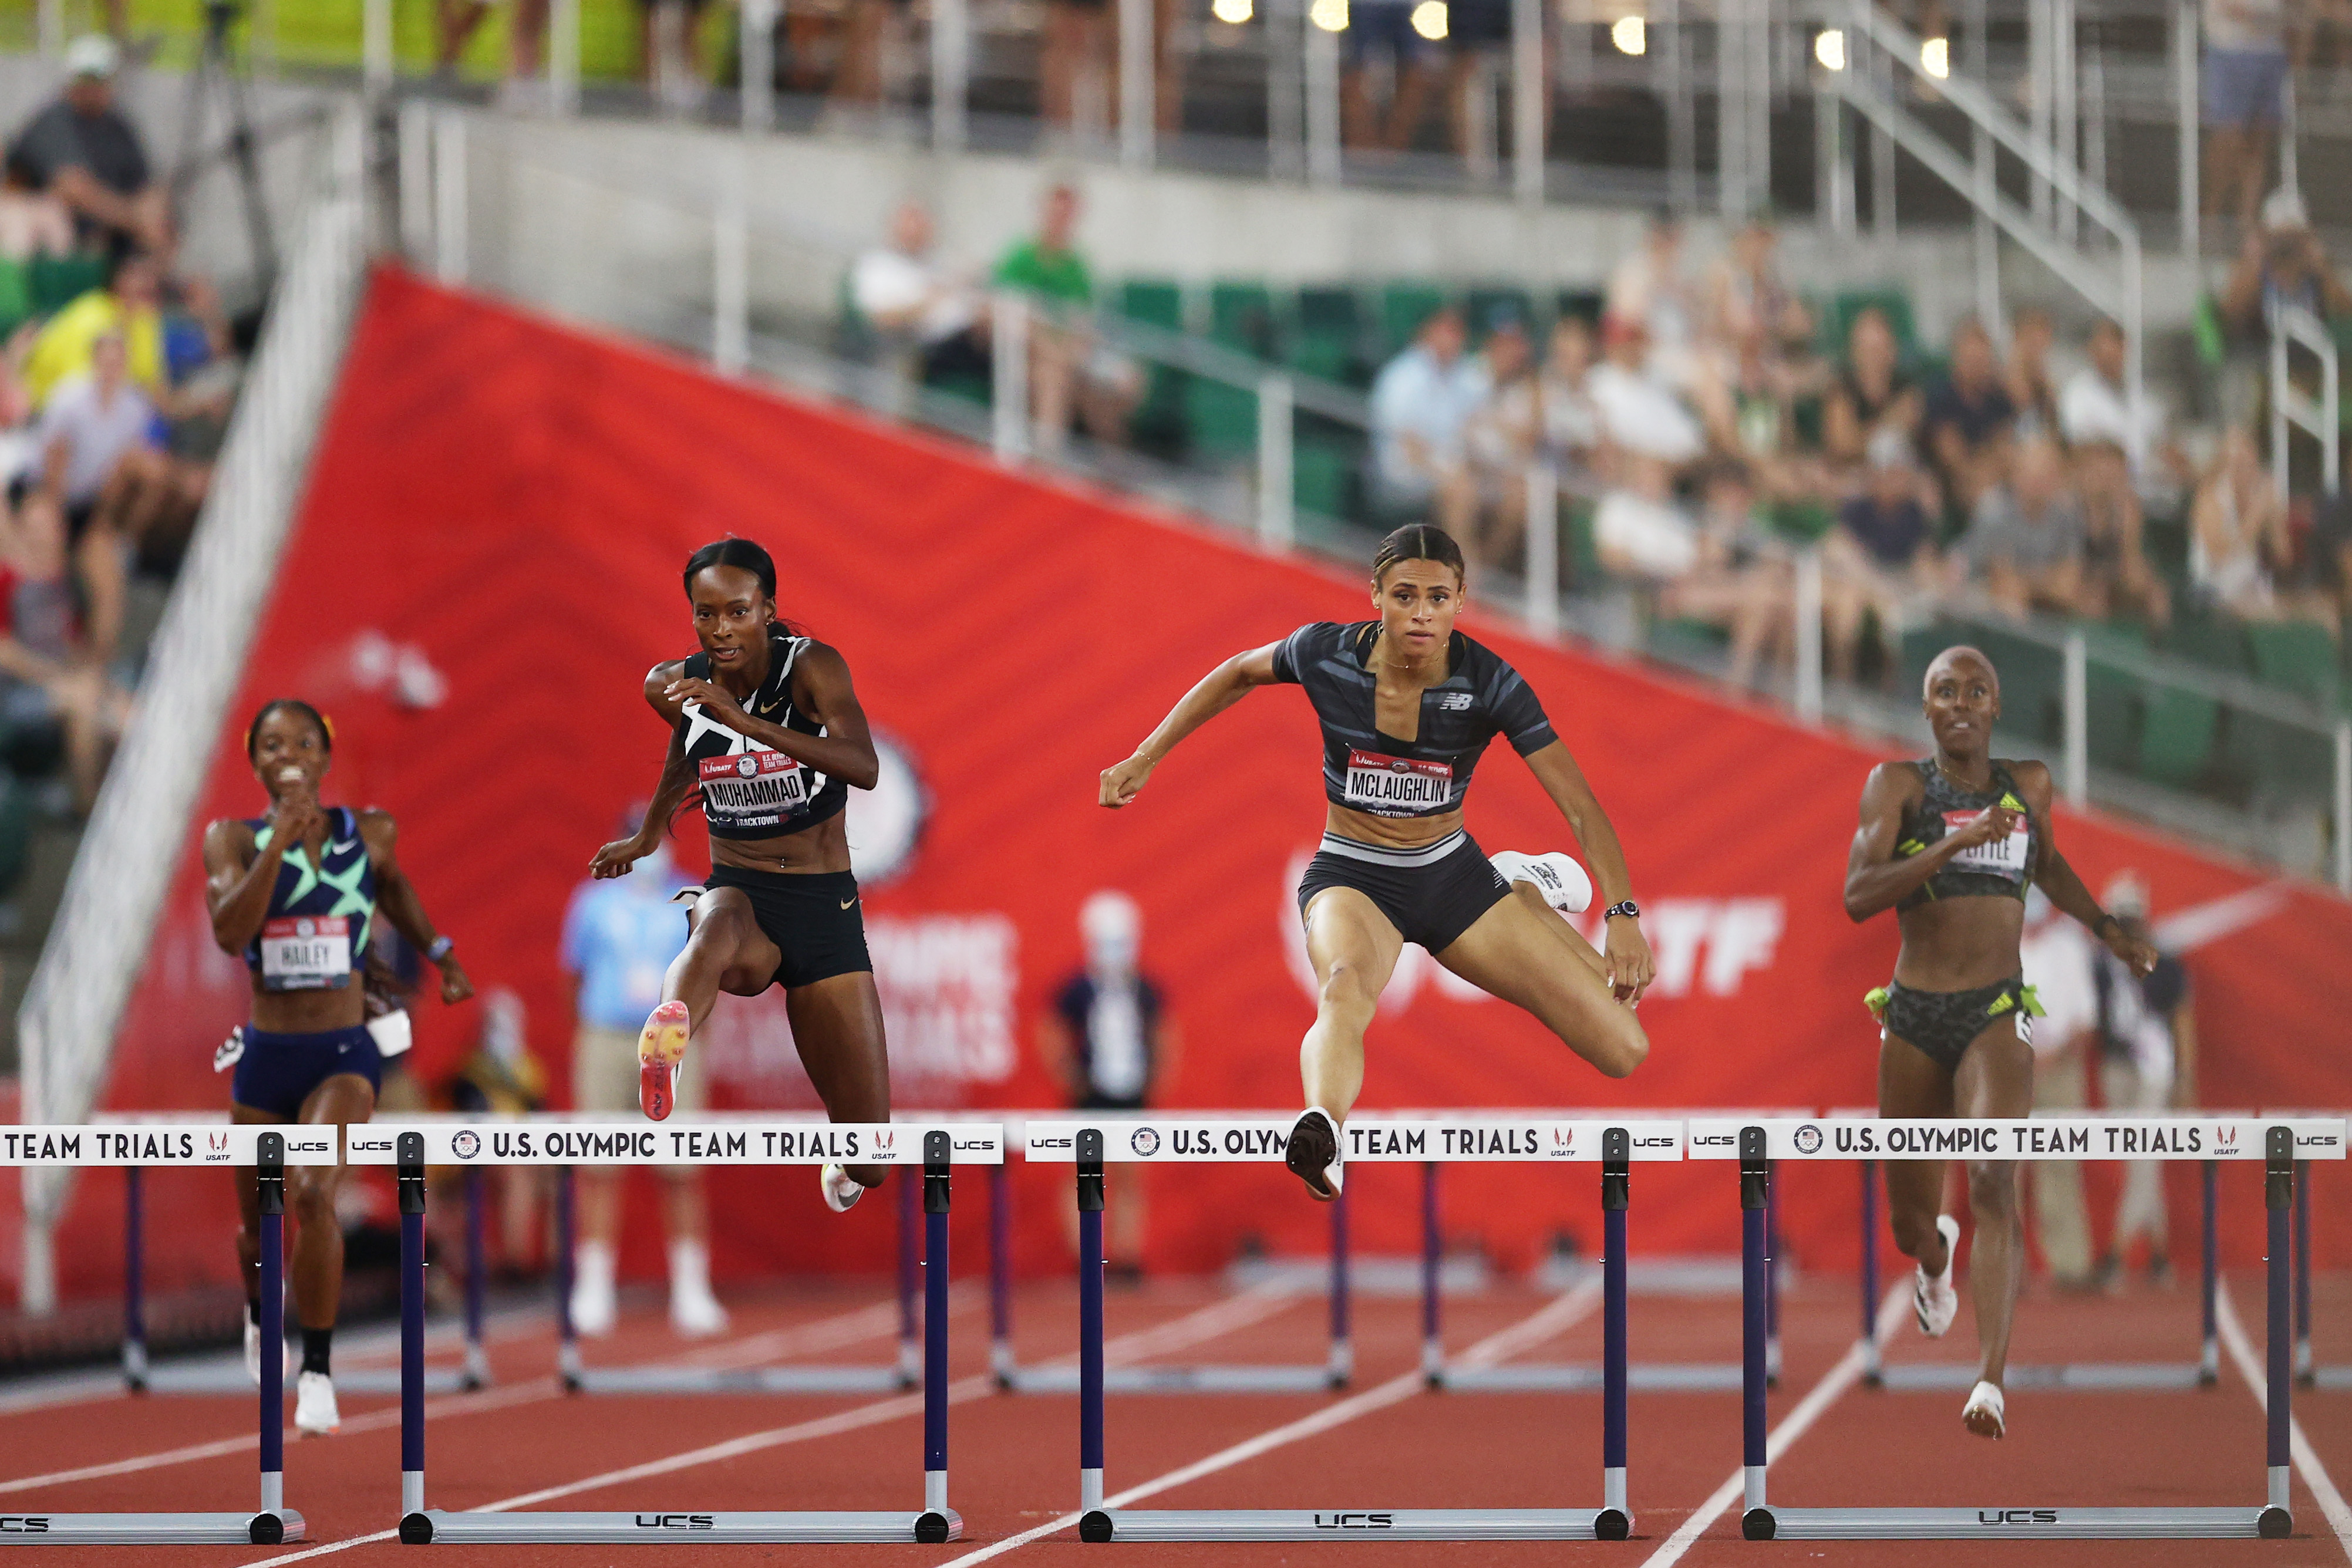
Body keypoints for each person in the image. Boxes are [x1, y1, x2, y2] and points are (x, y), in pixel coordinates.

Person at [1099, 524, 1652, 1202]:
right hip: (1353, 875)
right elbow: (1239, 671)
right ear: (1376, 597)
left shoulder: (1491, 684)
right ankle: (1323, 1128)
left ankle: (1523, 889)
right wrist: (1145, 755)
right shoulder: (1323, 653)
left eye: (1438, 598)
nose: (1421, 613)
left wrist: (1622, 912)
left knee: (1624, 1049)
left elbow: (1581, 807)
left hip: (1453, 879)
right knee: (1342, 985)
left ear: (1460, 601)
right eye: (1405, 596)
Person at [1844, 645, 2156, 1439]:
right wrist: (1954, 841)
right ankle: (1933, 1256)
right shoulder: (1898, 787)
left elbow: (2047, 869)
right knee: (1909, 1224)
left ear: (1994, 706)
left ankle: (1989, 1379)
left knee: (1991, 1171)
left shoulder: (2029, 785)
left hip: (1993, 1011)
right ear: (1925, 708)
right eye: (1942, 691)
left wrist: (2107, 929)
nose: (1958, 702)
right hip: (1914, 1014)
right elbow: (1856, 895)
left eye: (1973, 690)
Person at [588, 539, 892, 1214]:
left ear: (768, 610)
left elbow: (863, 765)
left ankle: (843, 1157)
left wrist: (745, 722)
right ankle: (667, 1037)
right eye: (704, 615)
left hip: (822, 908)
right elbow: (686, 751)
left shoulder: (812, 668)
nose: (720, 629)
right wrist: (646, 834)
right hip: (742, 888)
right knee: (714, 927)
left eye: (737, 612)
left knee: (872, 1159)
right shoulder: (673, 684)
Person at [203, 699, 475, 1435]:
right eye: (268, 744)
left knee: (315, 1193)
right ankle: (262, 1313)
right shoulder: (229, 840)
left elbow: (397, 893)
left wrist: (442, 955)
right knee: (257, 1227)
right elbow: (231, 932)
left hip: (344, 1053)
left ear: (324, 756)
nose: (285, 753)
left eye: (298, 742)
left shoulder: (371, 832)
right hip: (266, 1059)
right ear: (254, 761)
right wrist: (278, 843)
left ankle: (318, 1369)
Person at [561, 811, 728, 1336]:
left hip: (671, 1040)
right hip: (607, 1036)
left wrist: (693, 1032)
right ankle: (593, 1288)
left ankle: (691, 1289)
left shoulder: (694, 900)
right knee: (599, 1165)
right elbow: (574, 974)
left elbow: (709, 972)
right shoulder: (593, 901)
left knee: (682, 1165)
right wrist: (594, 1024)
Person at [1039, 890, 1178, 1281]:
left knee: (1131, 1175)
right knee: (1084, 1174)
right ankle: (1086, 1255)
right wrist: (1067, 1072)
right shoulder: (1078, 987)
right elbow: (1050, 1029)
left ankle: (1127, 1256)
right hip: (1089, 1095)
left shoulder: (1144, 987)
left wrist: (1159, 1075)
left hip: (1132, 1095)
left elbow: (1165, 1032)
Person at [2091, 872, 2197, 1289]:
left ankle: (2116, 1254)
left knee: (2142, 1155)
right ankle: (2159, 1253)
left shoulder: (2164, 960)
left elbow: (2183, 1018)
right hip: (2118, 1067)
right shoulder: (2100, 963)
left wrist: (2185, 1076)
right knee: (2142, 1160)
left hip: (2155, 1066)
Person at [29, 327, 151, 664]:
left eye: (119, 359)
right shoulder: (70, 400)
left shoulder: (134, 406)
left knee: (109, 591)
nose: (112, 367)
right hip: (49, 501)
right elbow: (54, 462)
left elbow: (124, 469)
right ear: (95, 360)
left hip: (92, 507)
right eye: (106, 359)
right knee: (49, 583)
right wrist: (54, 520)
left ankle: (95, 667)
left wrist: (105, 522)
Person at [994, 184, 1140, 450]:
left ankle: (1112, 464)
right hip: (1024, 355)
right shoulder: (1021, 257)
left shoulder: (1077, 265)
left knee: (1122, 383)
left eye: (1067, 214)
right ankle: (1047, 461)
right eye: (1054, 212)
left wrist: (1081, 349)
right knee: (1053, 376)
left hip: (1070, 355)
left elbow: (1082, 321)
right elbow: (1006, 312)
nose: (1060, 220)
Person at [4, 36, 171, 258]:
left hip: (112, 238)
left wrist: (152, 218)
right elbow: (74, 188)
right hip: (52, 242)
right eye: (86, 79)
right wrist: (133, 220)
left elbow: (146, 183)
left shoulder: (118, 125)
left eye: (99, 79)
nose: (93, 87)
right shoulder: (53, 122)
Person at [2017, 887, 2099, 1290]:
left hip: (2061, 1069)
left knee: (2060, 1165)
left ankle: (2070, 1265)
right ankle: (2005, 1268)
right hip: (2009, 1072)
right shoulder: (1995, 949)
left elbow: (2085, 1020)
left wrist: (2051, 1056)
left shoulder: (2069, 949)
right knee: (2001, 1171)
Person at [1825, 430, 1939, 681]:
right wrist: (1877, 586)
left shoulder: (1914, 513)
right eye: (1887, 473)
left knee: (1901, 619)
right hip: (1864, 585)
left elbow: (1924, 563)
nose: (1893, 480)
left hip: (1898, 590)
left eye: (1899, 473)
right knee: (1849, 607)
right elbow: (1836, 548)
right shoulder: (1858, 508)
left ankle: (1892, 694)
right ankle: (1842, 685)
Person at [1369, 305, 1485, 530]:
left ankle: (1490, 562)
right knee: (1460, 491)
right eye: (1447, 332)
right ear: (1428, 333)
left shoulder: (1463, 374)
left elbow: (1475, 426)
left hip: (1451, 466)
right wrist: (1447, 470)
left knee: (1518, 493)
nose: (1454, 340)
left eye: (1458, 333)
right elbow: (1407, 445)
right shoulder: (1402, 377)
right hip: (1406, 470)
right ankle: (1465, 564)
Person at [851, 201, 989, 388]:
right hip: (930, 343)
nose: (917, 233)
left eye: (922, 226)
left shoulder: (938, 261)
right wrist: (934, 297)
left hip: (969, 331)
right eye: (911, 226)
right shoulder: (877, 265)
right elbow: (883, 320)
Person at [1955, 434, 2088, 619]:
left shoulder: (2066, 511)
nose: (2039, 483)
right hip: (1971, 589)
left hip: (2037, 598)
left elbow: (2068, 587)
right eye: (2032, 475)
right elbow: (2004, 584)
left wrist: (2030, 583)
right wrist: (2048, 581)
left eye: (2047, 475)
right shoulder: (1994, 510)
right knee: (2012, 606)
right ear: (2016, 475)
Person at [2202, 0, 2290, 235]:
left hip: (2271, 50)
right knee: (2228, 137)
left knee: (2259, 141)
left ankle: (2247, 219)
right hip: (2230, 49)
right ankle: (2211, 215)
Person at [1922, 318, 2017, 522]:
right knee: (1991, 502)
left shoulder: (1999, 398)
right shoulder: (1941, 396)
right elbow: (1953, 459)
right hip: (1951, 484)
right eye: (1970, 360)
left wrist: (1992, 469)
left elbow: (2007, 449)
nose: (1976, 366)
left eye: (1981, 360)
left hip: (1995, 475)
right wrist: (1987, 466)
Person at [1822, 306, 1922, 475]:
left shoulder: (1906, 388)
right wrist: (1887, 424)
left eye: (1879, 350)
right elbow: (1842, 446)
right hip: (1854, 476)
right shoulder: (1842, 389)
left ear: (1892, 351)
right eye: (1867, 350)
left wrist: (1860, 437)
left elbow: (1909, 428)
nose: (1873, 360)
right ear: (1854, 353)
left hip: (1899, 474)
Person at [1341, 0, 1437, 151]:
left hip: (1412, 6)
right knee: (1353, 71)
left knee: (1417, 73)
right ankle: (1361, 150)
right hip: (1363, 6)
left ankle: (1394, 149)